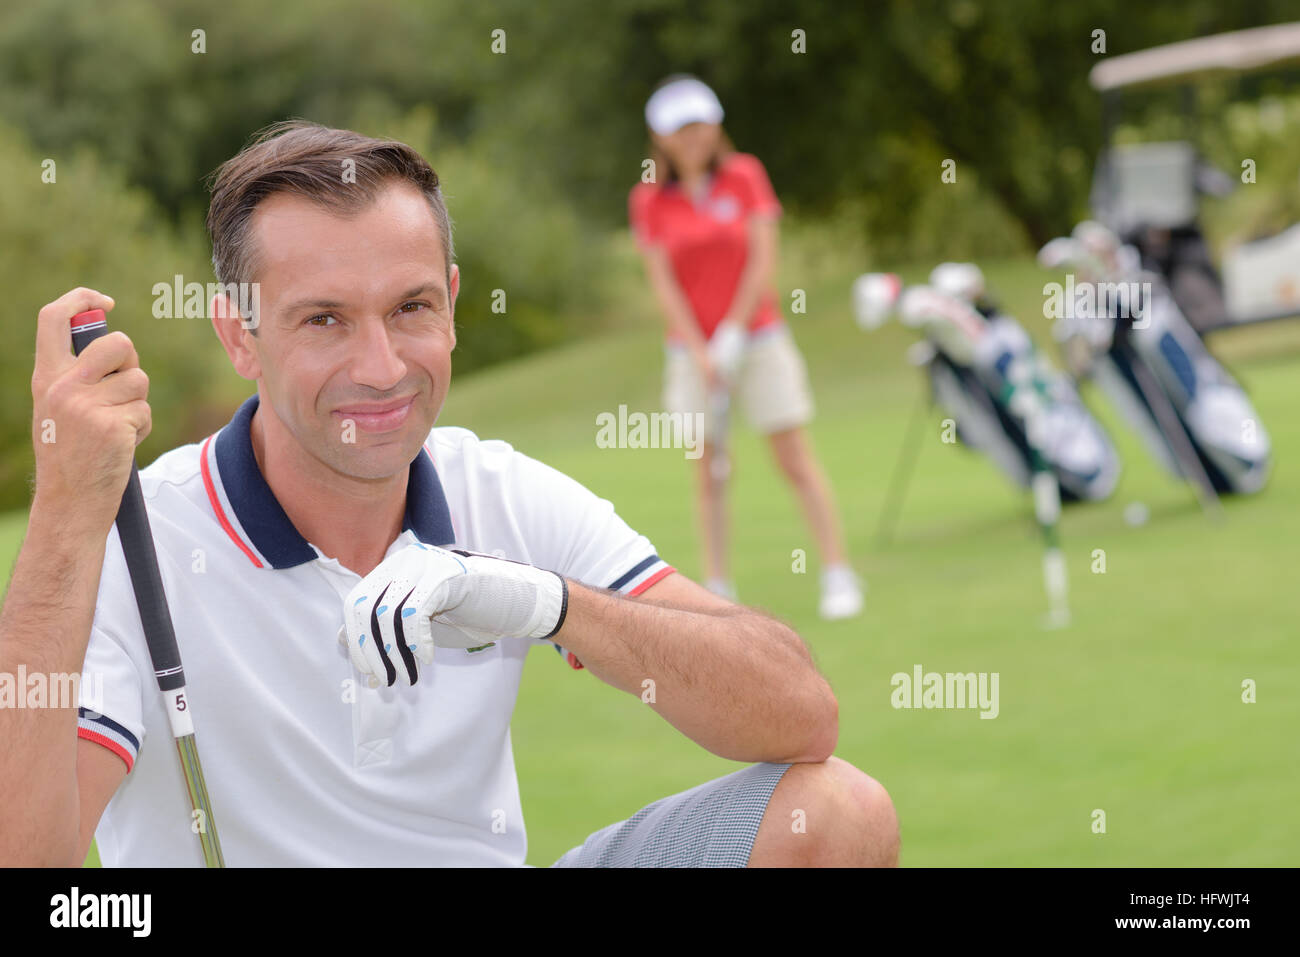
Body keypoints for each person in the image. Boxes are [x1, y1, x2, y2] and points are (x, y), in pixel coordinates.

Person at [0, 121, 898, 867]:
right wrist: (65, 516)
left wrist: (544, 602)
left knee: (837, 814)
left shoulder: (496, 488)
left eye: (412, 308)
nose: (382, 369)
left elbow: (800, 711)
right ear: (240, 335)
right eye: (325, 320)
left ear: (455, 303)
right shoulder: (139, 536)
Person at [629, 75, 864, 619]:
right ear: (660, 138)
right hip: (691, 353)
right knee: (709, 469)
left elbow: (762, 260)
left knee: (794, 459)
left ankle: (837, 573)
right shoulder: (649, 199)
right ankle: (718, 585)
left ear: (715, 126)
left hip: (758, 338)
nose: (691, 138)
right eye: (679, 129)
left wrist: (732, 333)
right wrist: (702, 350)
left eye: (699, 125)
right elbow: (663, 285)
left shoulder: (744, 176)